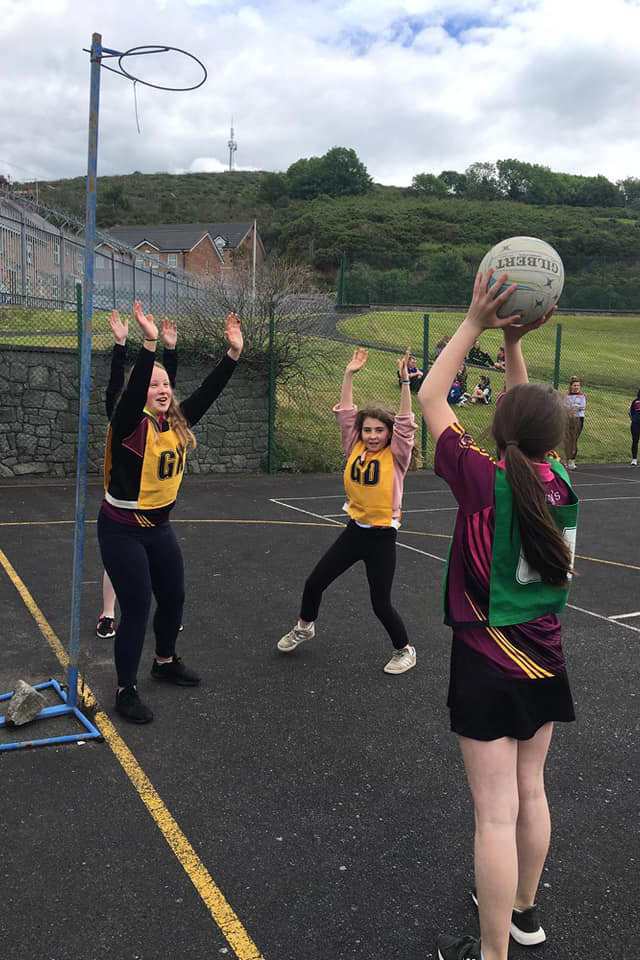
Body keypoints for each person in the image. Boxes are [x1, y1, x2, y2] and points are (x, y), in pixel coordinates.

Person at [418, 270, 578, 960]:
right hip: (545, 657)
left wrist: (478, 323)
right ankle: (524, 914)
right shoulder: (562, 479)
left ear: (500, 427)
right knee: (530, 792)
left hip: (488, 660)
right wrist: (516, 346)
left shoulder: (483, 479)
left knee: (493, 815)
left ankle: (491, 954)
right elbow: (530, 416)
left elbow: (429, 395)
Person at [98, 301, 243, 724]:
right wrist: (146, 343)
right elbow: (128, 391)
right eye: (153, 384)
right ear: (139, 393)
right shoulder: (128, 425)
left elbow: (208, 393)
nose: (163, 389)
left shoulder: (176, 422)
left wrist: (232, 354)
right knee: (137, 606)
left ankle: (164, 661)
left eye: (167, 384)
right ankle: (125, 689)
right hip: (122, 529)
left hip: (159, 528)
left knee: (174, 597)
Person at [278, 348, 420, 674]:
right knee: (314, 583)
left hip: (382, 537)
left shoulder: (397, 456)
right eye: (367, 430)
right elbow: (345, 414)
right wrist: (348, 375)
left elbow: (405, 424)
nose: (372, 436)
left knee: (380, 603)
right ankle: (305, 626)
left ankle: (405, 650)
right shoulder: (353, 446)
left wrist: (404, 384)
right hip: (355, 531)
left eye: (378, 431)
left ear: (388, 434)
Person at [96, 309, 179, 640]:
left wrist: (170, 351)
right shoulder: (123, 415)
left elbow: (165, 391)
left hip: (149, 508)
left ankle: (167, 615)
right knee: (119, 563)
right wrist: (121, 344)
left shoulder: (159, 418)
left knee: (153, 570)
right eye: (150, 383)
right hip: (120, 502)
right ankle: (107, 612)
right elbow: (119, 386)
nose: (159, 388)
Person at [565, 376, 586, 470]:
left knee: (574, 439)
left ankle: (572, 460)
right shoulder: (567, 396)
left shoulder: (582, 396)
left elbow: (582, 406)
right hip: (569, 418)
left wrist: (574, 406)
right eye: (575, 385)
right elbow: (565, 406)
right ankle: (567, 459)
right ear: (571, 386)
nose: (576, 387)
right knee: (567, 440)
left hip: (578, 418)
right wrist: (574, 407)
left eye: (578, 385)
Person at [629, 388, 640, 465]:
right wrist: (633, 419)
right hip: (636, 423)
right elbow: (630, 411)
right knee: (635, 440)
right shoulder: (635, 401)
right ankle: (634, 459)